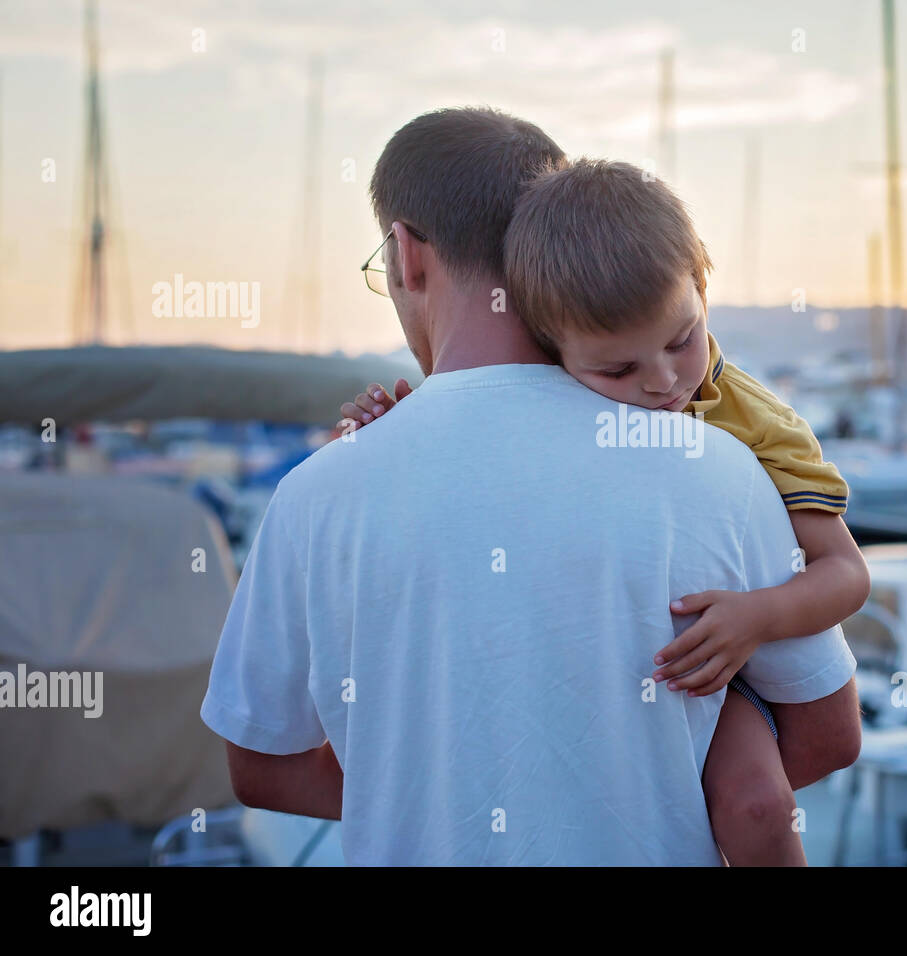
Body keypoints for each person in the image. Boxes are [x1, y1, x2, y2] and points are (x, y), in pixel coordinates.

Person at [202, 107, 861, 865]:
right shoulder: (718, 469)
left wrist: (453, 805)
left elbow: (263, 768)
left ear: (406, 255)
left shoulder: (315, 496)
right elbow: (828, 736)